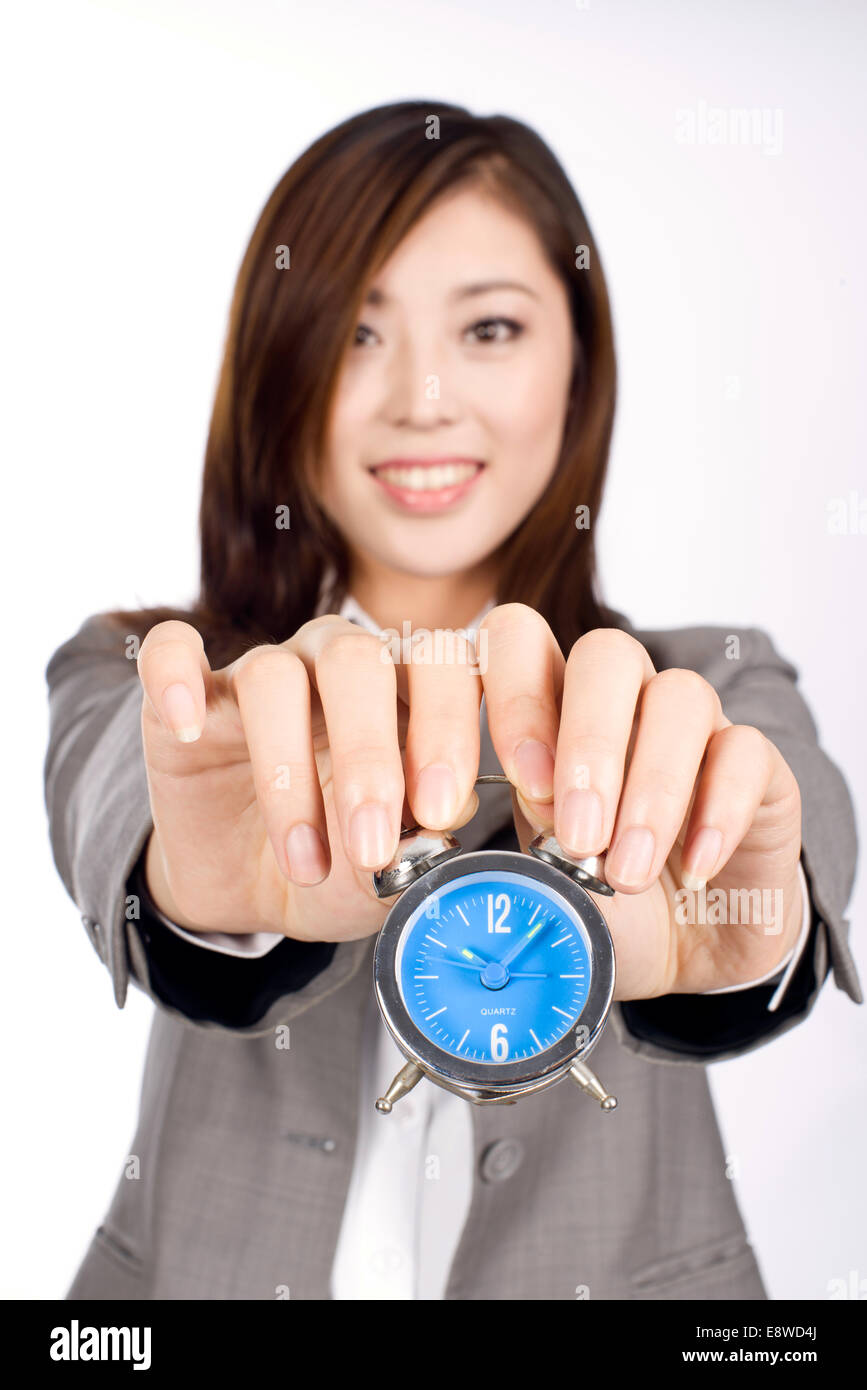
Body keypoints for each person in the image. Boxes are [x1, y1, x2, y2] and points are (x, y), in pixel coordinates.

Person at [44, 100, 860, 1301]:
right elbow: (122, 798)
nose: (423, 398)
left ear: (579, 364)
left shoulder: (712, 682)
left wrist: (724, 926)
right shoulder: (151, 675)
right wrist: (198, 888)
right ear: (284, 371)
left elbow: (797, 861)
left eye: (489, 327)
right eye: (358, 334)